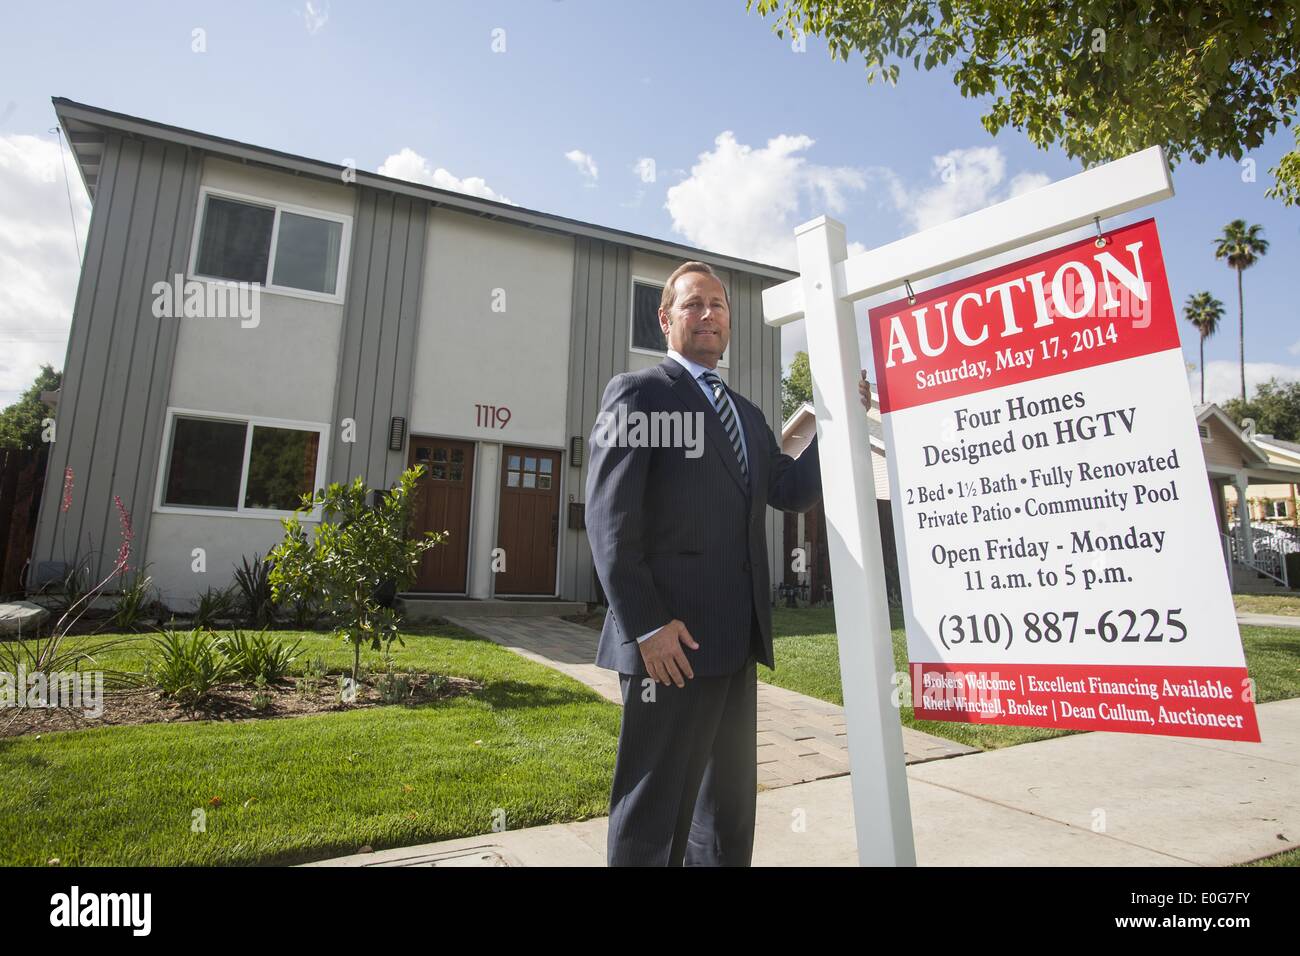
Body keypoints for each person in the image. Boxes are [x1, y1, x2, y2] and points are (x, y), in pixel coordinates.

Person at [585, 260, 869, 866]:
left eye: (718, 305)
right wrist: (647, 627)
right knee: (656, 811)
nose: (708, 314)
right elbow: (610, 524)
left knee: (728, 812)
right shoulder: (640, 394)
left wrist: (836, 421)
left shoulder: (747, 414)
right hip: (671, 647)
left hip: (735, 642)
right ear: (665, 319)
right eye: (693, 304)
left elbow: (789, 491)